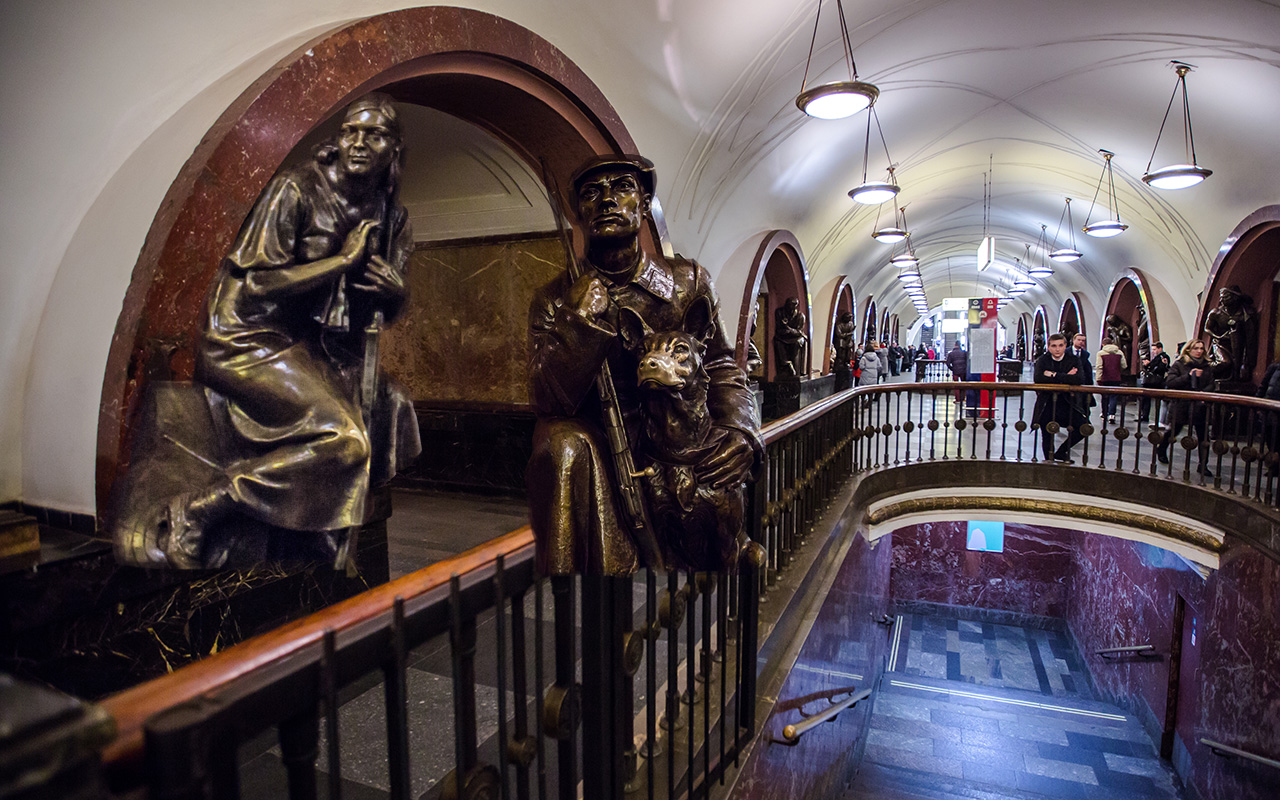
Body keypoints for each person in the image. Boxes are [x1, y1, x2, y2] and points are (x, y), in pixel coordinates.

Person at [146, 93, 422, 568]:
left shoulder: (392, 217)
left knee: (395, 411)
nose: (357, 142)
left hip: (312, 345)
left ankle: (313, 513)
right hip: (245, 336)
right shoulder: (296, 189)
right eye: (350, 131)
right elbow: (256, 283)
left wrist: (396, 293)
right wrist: (341, 262)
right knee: (346, 440)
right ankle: (201, 509)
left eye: (373, 135)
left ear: (394, 150)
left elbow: (385, 311)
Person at [526, 154, 760, 576]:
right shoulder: (554, 298)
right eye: (592, 194)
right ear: (579, 211)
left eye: (622, 188)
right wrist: (578, 321)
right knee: (563, 447)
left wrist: (741, 426)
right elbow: (546, 398)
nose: (607, 201)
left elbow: (723, 364)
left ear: (645, 200)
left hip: (677, 438)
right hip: (601, 445)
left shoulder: (688, 282)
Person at [1157, 340, 1213, 475]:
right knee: (1174, 430)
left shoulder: (1207, 367)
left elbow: (1211, 383)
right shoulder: (1180, 364)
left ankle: (1203, 464)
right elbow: (1170, 382)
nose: (1199, 351)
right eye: (1196, 348)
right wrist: (1188, 376)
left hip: (1200, 405)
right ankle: (1162, 448)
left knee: (1203, 436)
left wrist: (1204, 394)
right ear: (1189, 350)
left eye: (1201, 348)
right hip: (1181, 404)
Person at [1032, 333, 1088, 463]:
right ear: (1049, 347)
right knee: (1047, 433)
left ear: (1065, 346)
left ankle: (1062, 452)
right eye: (1054, 346)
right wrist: (1066, 376)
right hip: (1047, 402)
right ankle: (1049, 459)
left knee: (1082, 427)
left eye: (1060, 346)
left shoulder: (1073, 360)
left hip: (1068, 402)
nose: (1057, 349)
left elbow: (1079, 379)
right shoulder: (1043, 360)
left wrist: (1054, 375)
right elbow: (1039, 379)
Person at [1095, 336, 1128, 423]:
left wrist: (1098, 378)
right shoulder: (1119, 352)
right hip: (1116, 377)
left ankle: (1104, 413)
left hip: (1105, 377)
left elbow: (1099, 367)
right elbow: (1124, 365)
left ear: (1103, 344)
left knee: (1104, 396)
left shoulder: (1101, 353)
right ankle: (1112, 415)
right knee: (1114, 396)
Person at [1139, 341, 1170, 424]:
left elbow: (1160, 369)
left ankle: (1156, 418)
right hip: (1151, 381)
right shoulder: (1156, 357)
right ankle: (1144, 415)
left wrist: (1149, 365)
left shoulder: (1163, 357)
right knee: (1145, 399)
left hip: (1156, 382)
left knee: (1156, 401)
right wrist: (1147, 365)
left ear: (1160, 348)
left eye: (1155, 349)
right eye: (1152, 349)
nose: (1153, 351)